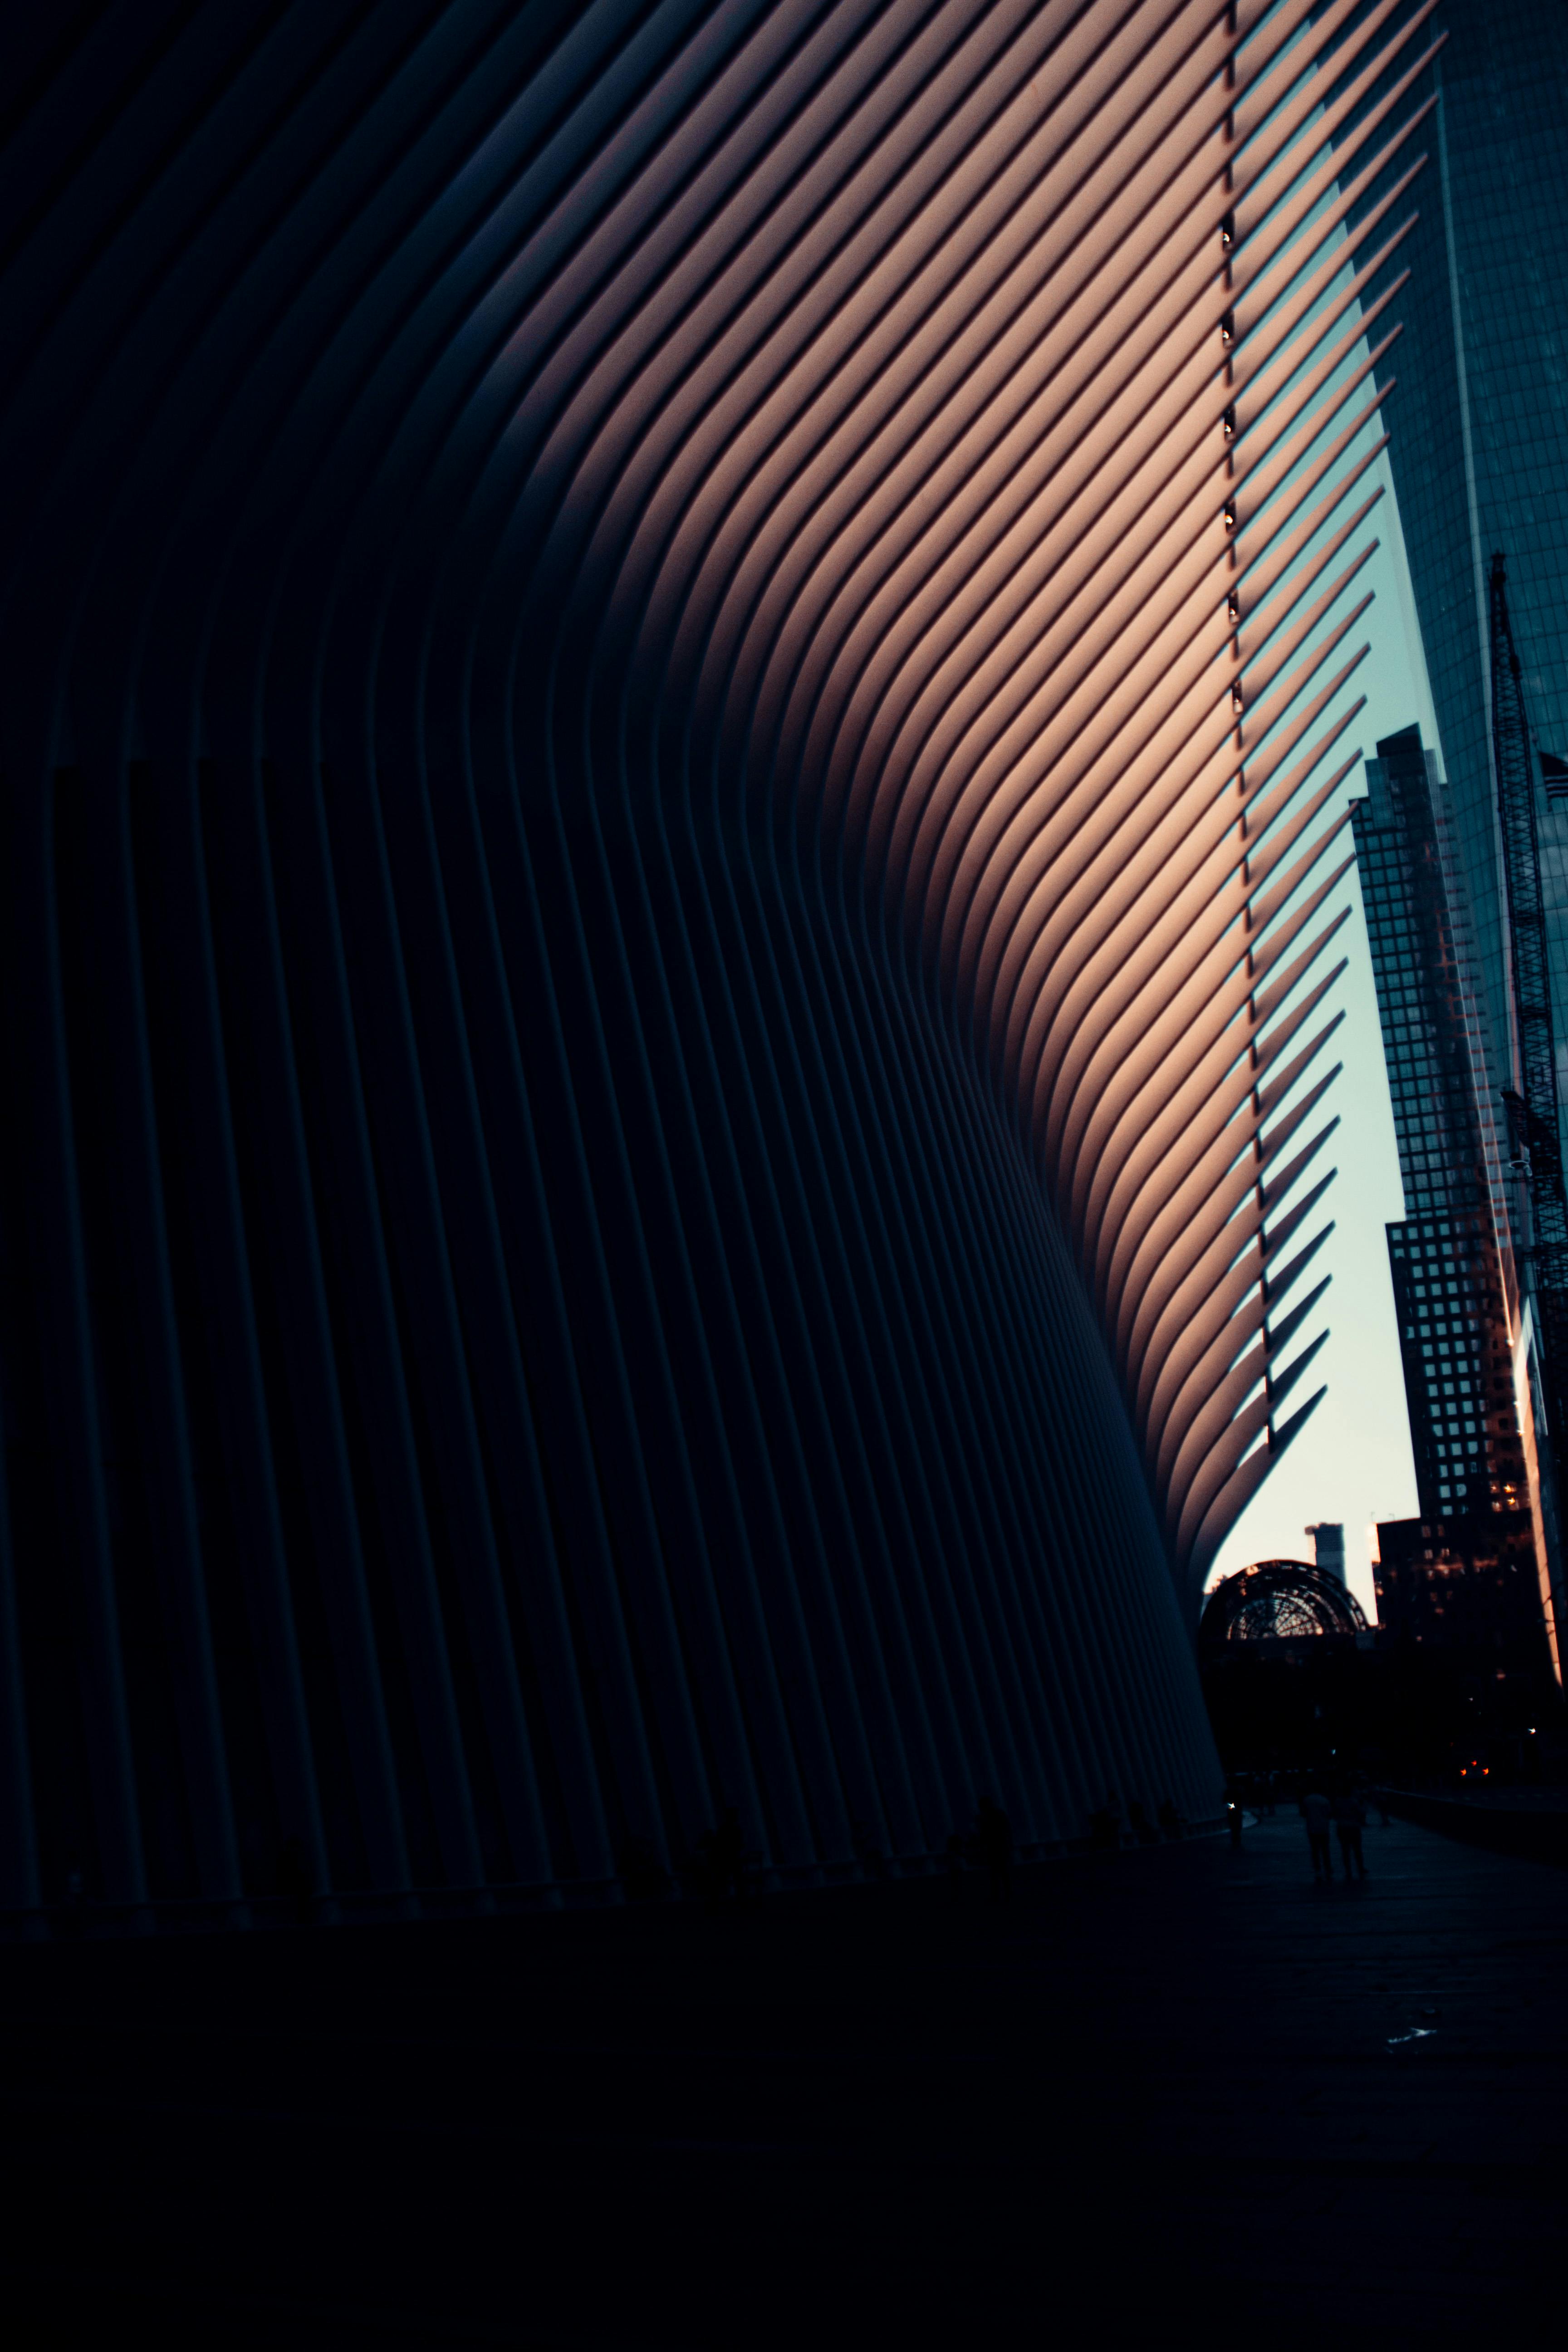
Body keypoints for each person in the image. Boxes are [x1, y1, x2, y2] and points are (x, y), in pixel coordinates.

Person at [973, 1796, 1013, 1903]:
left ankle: (999, 1896)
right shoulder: (998, 1814)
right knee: (1001, 1872)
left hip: (994, 1847)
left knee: (996, 1873)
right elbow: (1007, 1829)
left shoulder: (985, 1817)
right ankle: (1005, 1895)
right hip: (999, 1846)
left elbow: (983, 1833)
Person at [1332, 1788, 1367, 1881]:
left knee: (1345, 1850)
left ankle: (1348, 1871)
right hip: (1354, 1827)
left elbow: (1334, 1815)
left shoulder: (1338, 1802)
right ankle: (1360, 1869)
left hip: (1342, 1827)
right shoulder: (1354, 1802)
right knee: (1357, 1850)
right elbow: (1362, 1813)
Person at [1300, 1786, 1333, 1882]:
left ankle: (1318, 1869)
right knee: (1325, 1850)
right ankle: (1328, 1868)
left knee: (1315, 1850)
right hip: (1324, 1827)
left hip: (1312, 1828)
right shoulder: (1325, 1800)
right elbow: (1330, 1814)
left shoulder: (1307, 1800)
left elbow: (1303, 1814)